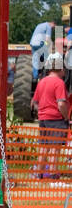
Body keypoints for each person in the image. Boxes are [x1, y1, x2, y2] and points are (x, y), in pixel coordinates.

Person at [31, 51, 70, 180]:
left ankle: (39, 173)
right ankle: (53, 174)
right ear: (60, 68)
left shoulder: (41, 82)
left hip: (43, 119)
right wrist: (66, 117)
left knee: (44, 147)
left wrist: (42, 112)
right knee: (55, 147)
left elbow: (34, 103)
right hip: (56, 119)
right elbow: (61, 104)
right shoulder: (59, 83)